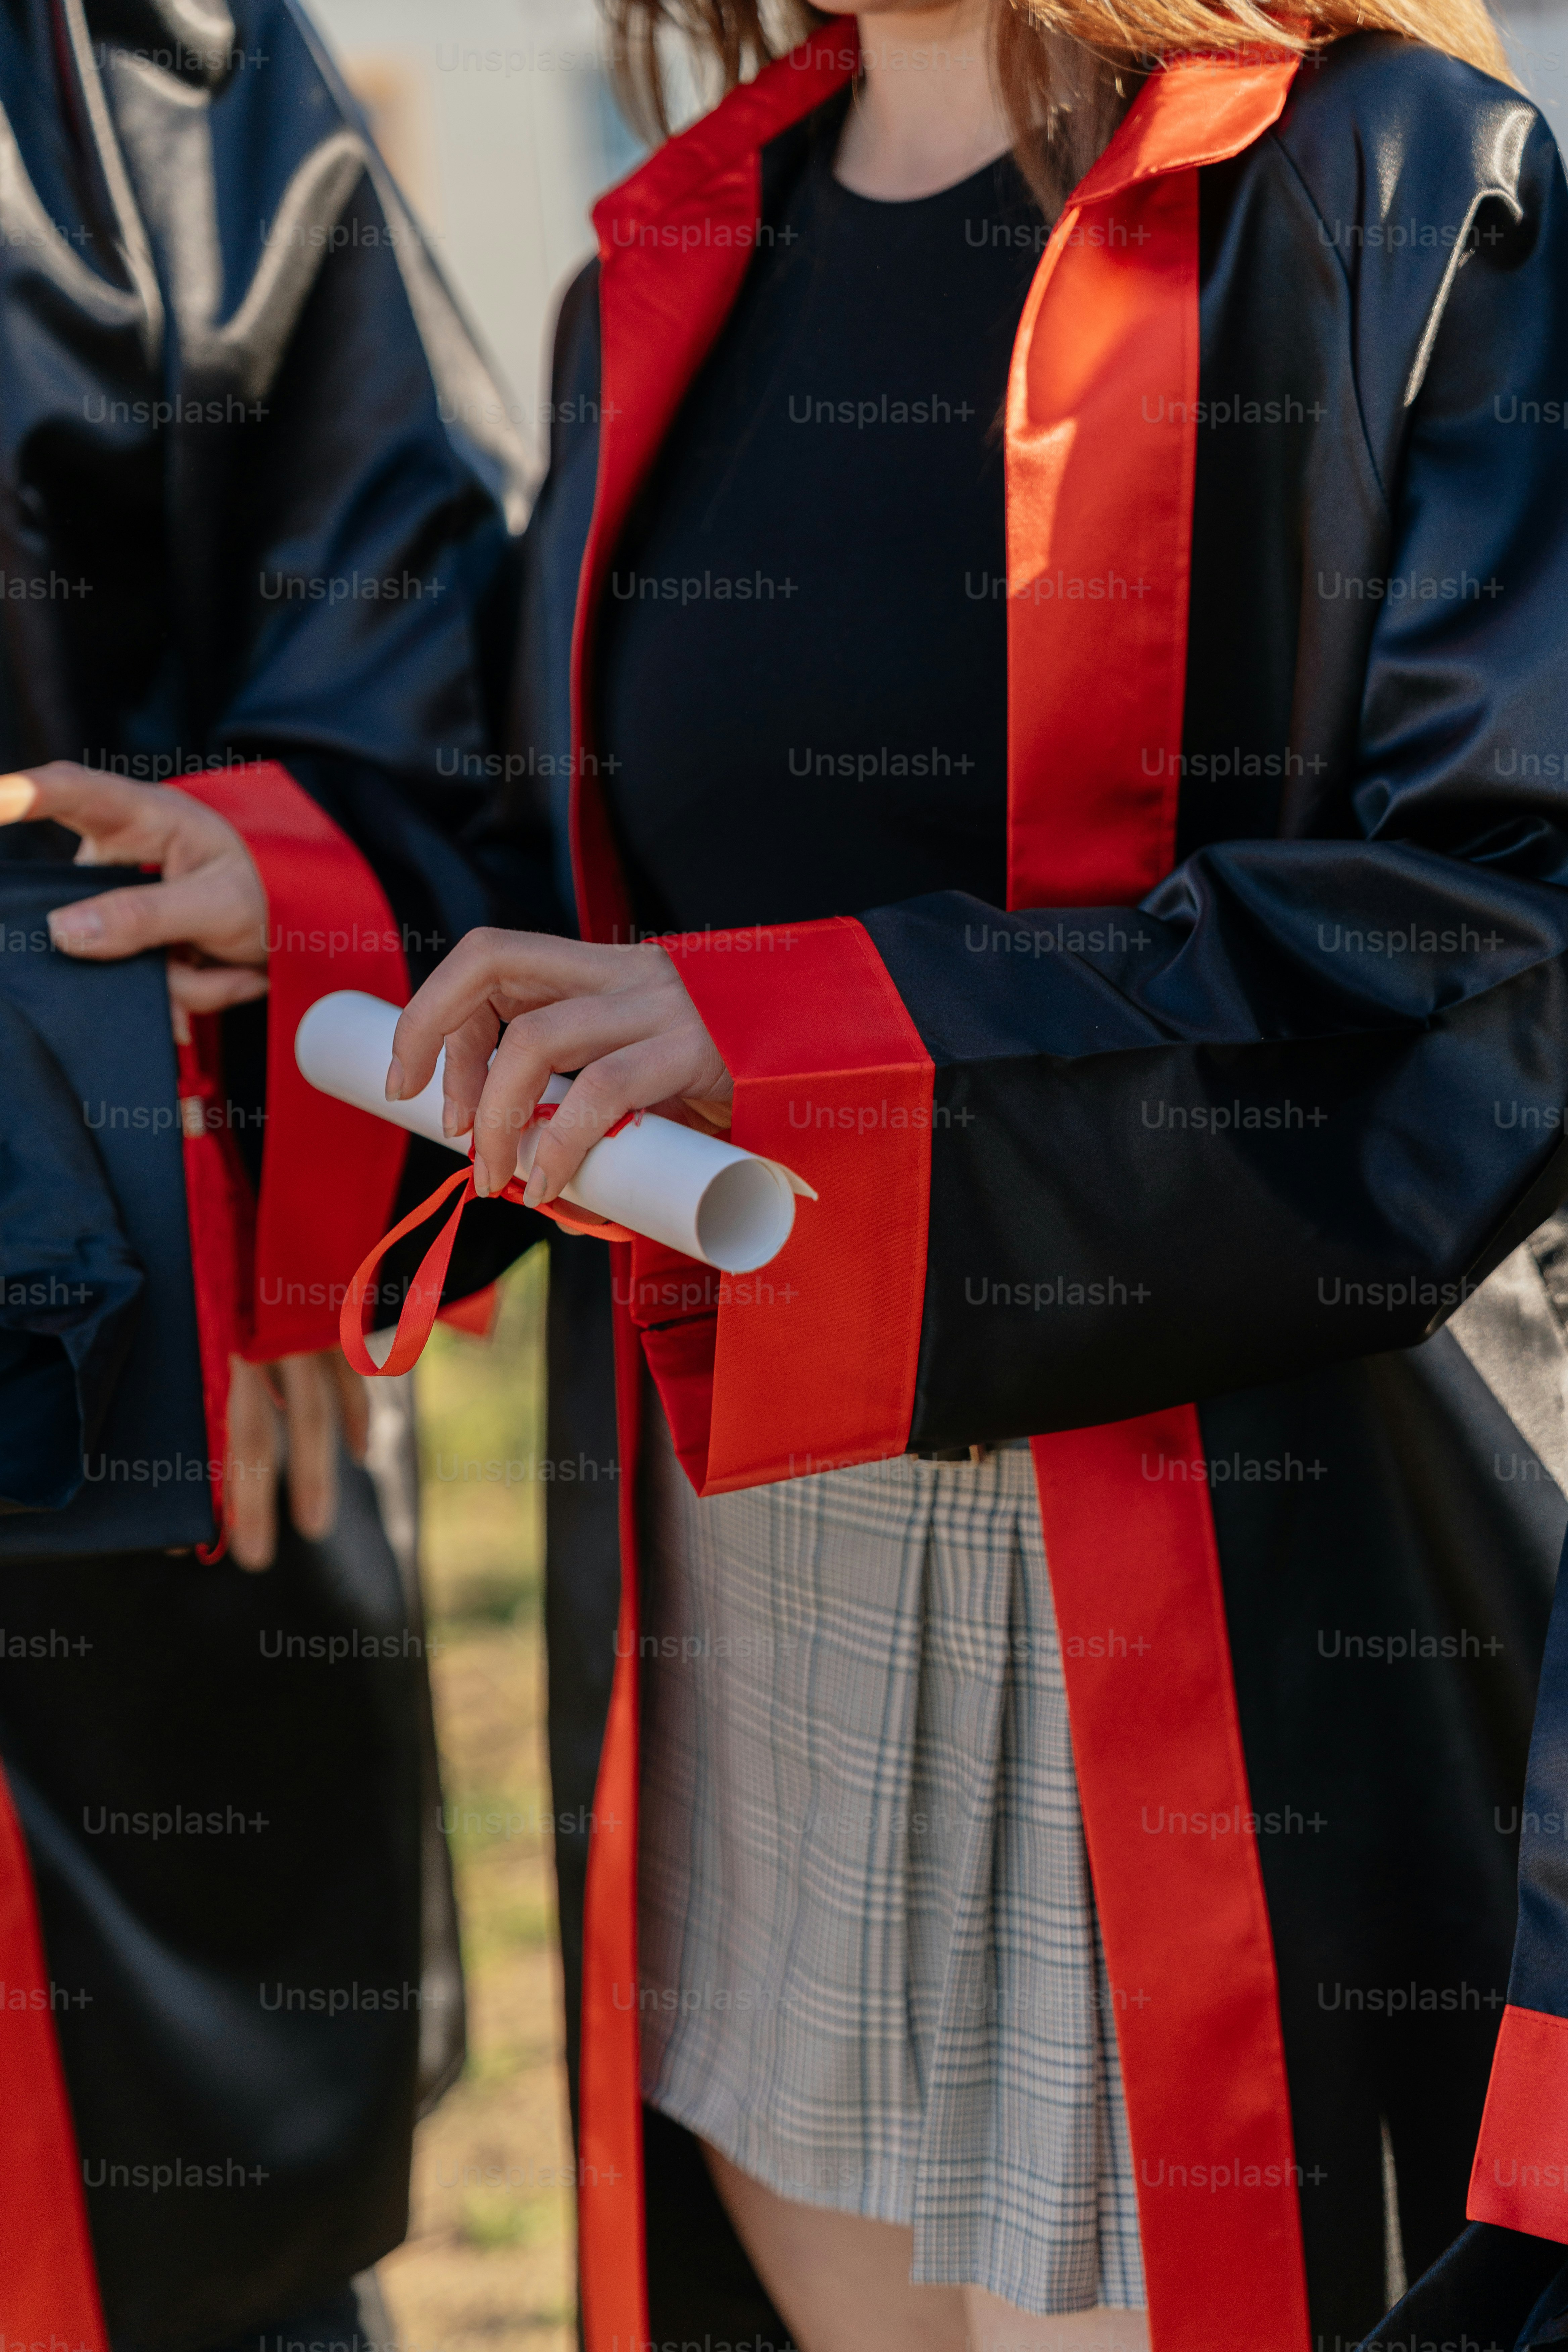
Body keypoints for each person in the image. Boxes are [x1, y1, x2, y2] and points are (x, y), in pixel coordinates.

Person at [372, 0, 1568, 2346]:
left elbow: (1501, 934)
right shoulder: (683, 233)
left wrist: (815, 1039)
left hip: (1212, 1586)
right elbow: (598, 863)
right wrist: (312, 913)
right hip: (751, 1563)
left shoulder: (1413, 196)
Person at [0, 0, 549, 2341]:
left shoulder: (148, 69)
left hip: (100, 1348)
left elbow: (410, 668)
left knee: (187, 2252)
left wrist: (243, 1169)